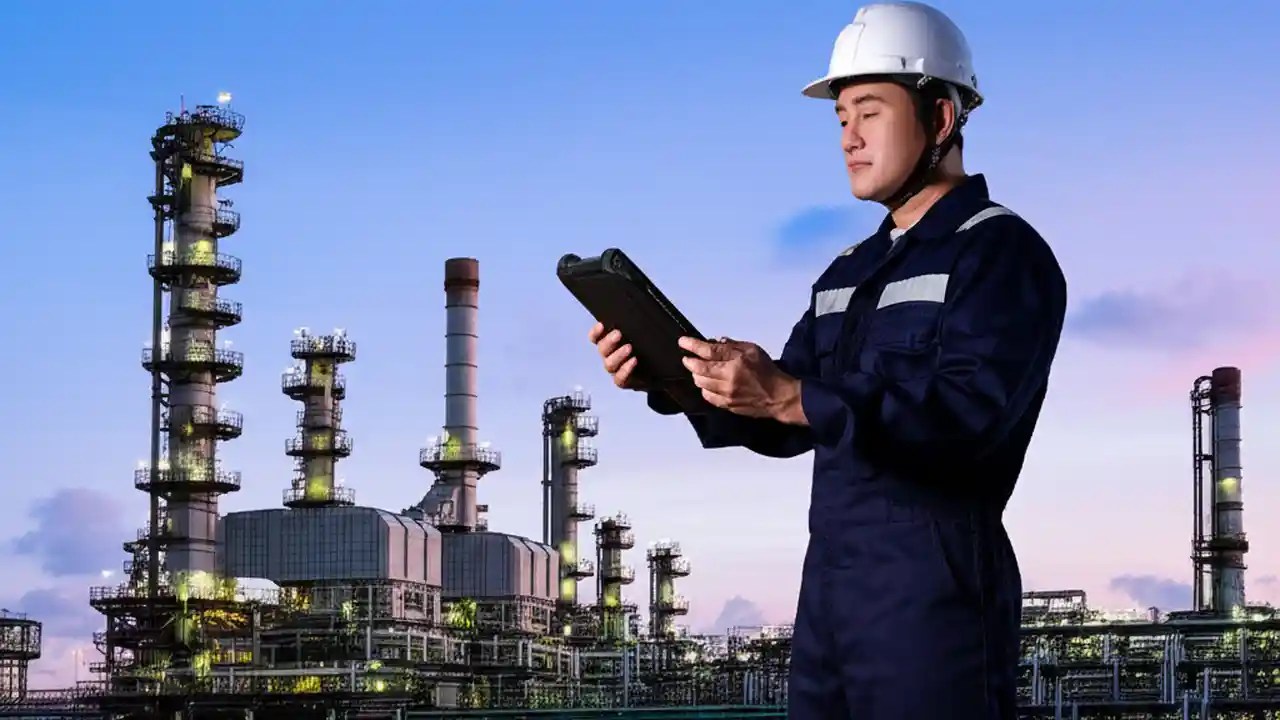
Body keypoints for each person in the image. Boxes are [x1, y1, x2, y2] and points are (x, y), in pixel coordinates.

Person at [587, 1, 1066, 718]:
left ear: (940, 118)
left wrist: (788, 395)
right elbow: (779, 421)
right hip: (829, 608)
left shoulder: (999, 253)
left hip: (936, 605)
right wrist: (669, 376)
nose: (849, 137)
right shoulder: (847, 272)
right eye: (841, 117)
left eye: (870, 111)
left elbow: (967, 423)